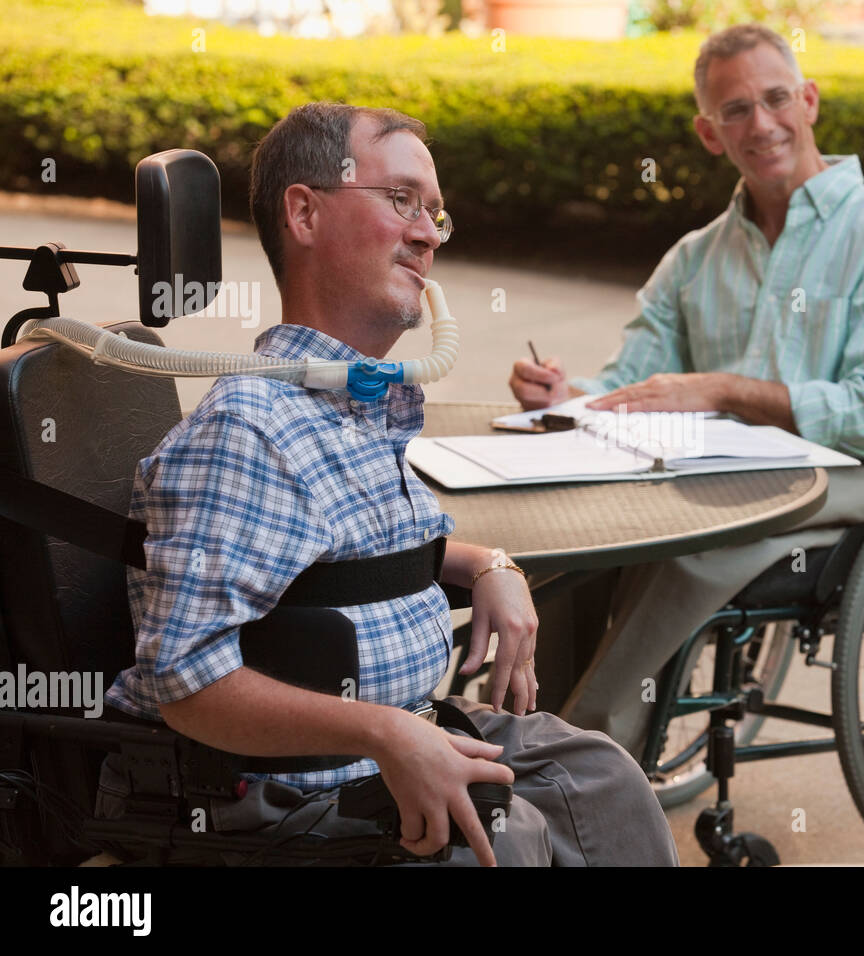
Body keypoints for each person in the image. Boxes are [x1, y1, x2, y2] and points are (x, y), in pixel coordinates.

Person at [99, 102, 679, 867]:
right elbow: (182, 678)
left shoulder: (353, 403)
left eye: (437, 215)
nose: (429, 234)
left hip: (396, 733)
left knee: (603, 778)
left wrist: (488, 565)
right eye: (402, 200)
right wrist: (384, 731)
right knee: (511, 838)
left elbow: (359, 551)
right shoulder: (250, 430)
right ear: (303, 213)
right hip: (282, 792)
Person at [508, 24, 864, 753]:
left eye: (776, 99)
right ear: (709, 133)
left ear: (808, 102)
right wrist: (567, 394)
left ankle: (580, 759)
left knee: (685, 548)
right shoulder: (694, 257)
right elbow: (636, 381)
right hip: (717, 468)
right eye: (735, 110)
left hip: (846, 472)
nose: (762, 124)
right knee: (574, 529)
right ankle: (528, 726)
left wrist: (728, 392)